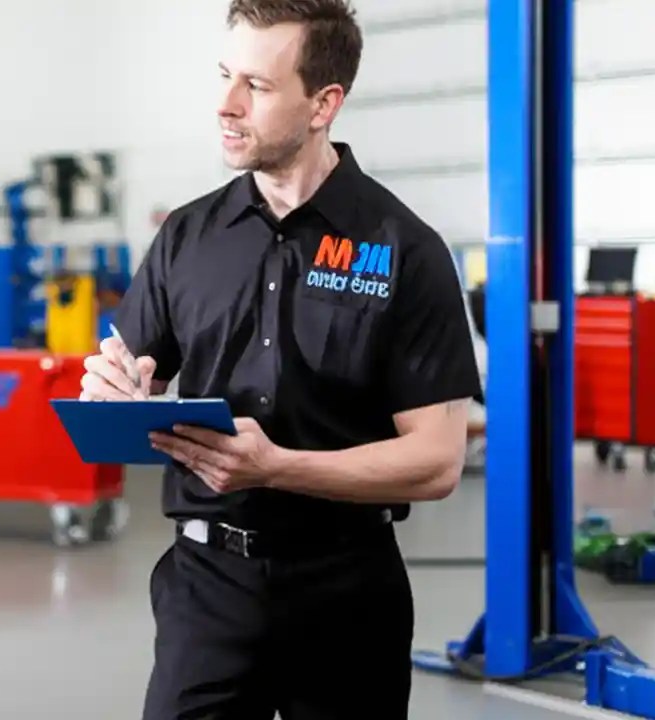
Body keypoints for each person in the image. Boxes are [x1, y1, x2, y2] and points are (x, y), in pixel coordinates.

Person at [80, 1, 480, 718]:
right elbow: (129, 377)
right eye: (226, 75)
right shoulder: (186, 237)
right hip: (206, 585)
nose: (225, 105)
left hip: (347, 594)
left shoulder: (404, 252)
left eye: (257, 87)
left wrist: (280, 468)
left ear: (325, 103)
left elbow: (438, 461)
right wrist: (111, 392)